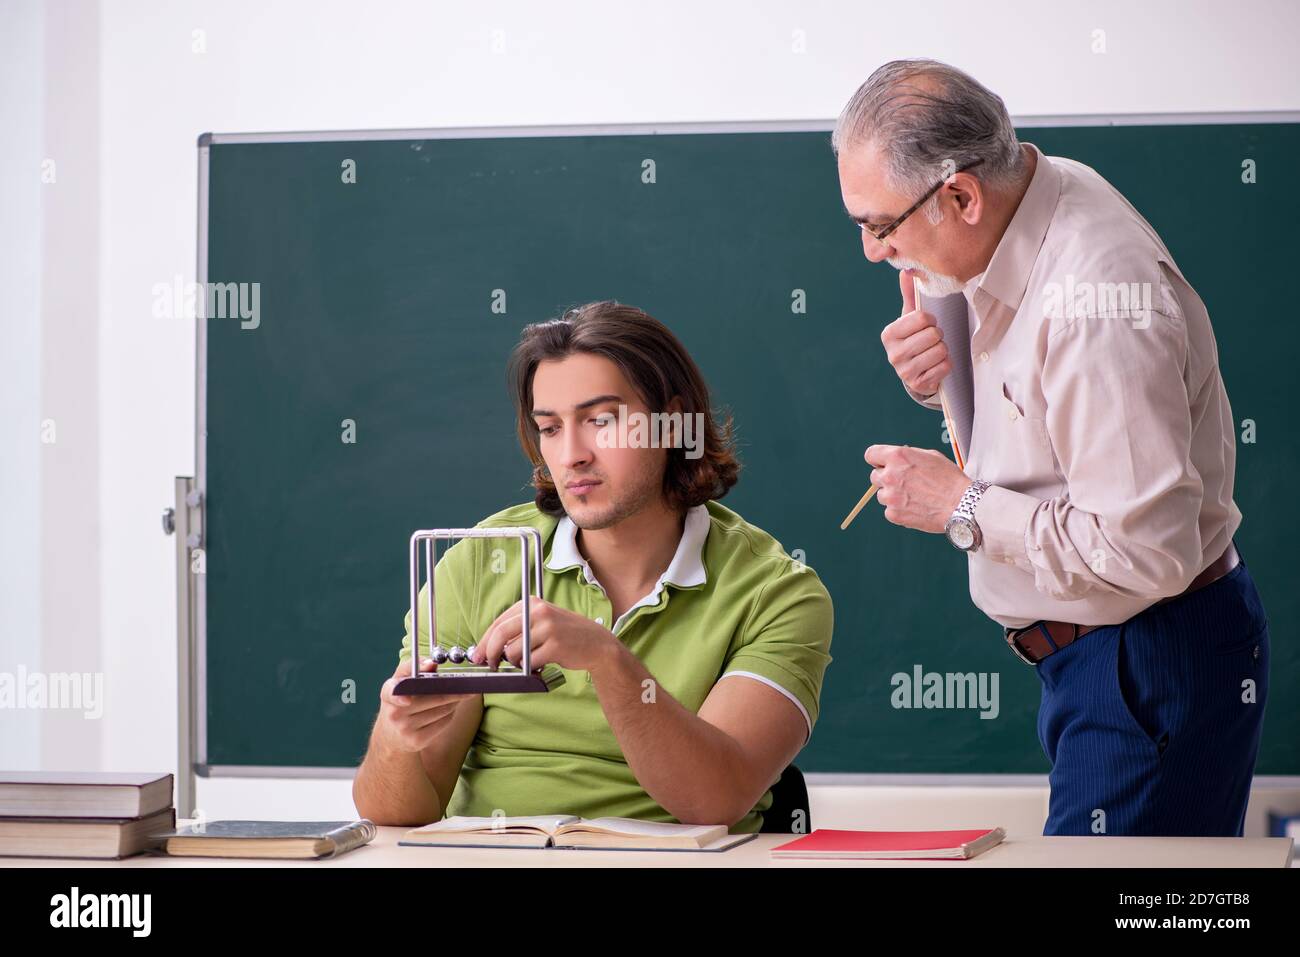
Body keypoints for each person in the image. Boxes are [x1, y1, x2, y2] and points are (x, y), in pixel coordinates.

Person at [834, 59, 1268, 836]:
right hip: (1101, 657)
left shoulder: (1097, 304)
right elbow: (1037, 406)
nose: (872, 251)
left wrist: (958, 507)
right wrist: (940, 376)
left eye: (879, 226)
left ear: (959, 195)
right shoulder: (1027, 190)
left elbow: (1147, 551)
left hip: (1146, 658)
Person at [353, 300, 833, 833]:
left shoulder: (777, 594)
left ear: (671, 424)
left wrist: (608, 661)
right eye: (550, 428)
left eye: (601, 420)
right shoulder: (478, 561)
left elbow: (717, 799)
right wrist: (398, 734)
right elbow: (396, 813)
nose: (571, 455)